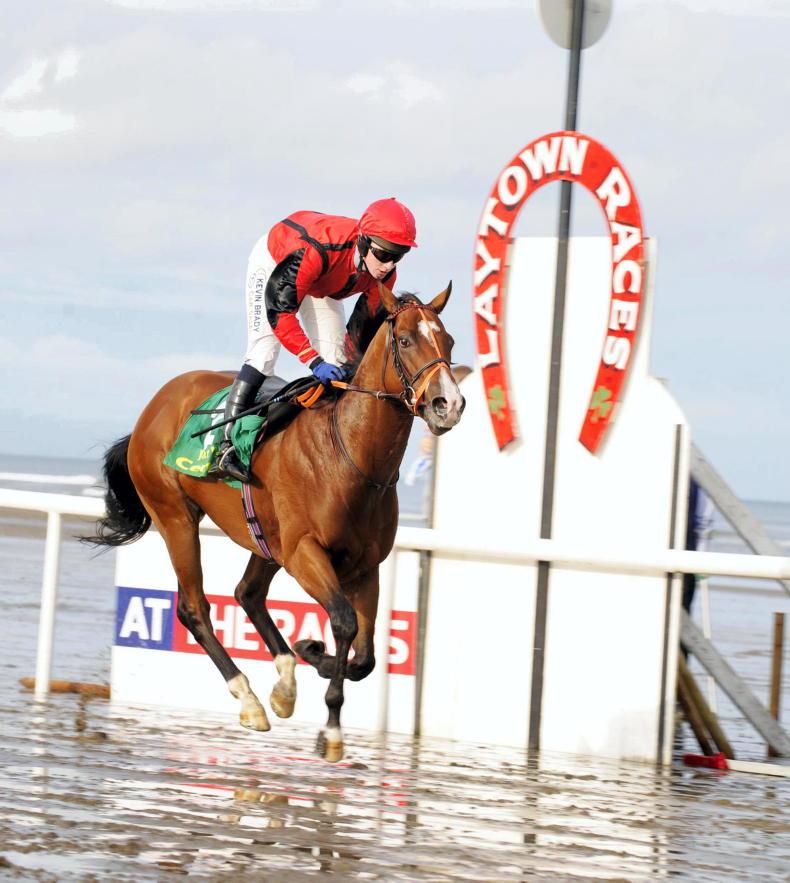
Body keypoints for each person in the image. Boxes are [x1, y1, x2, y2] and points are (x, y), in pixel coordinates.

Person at [214, 197, 419, 482]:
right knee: (264, 351)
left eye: (398, 255)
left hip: (322, 282)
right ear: (362, 241)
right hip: (280, 262)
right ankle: (225, 445)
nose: (389, 265)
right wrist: (312, 361)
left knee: (338, 361)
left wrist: (348, 363)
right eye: (384, 254)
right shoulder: (316, 251)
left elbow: (362, 328)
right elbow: (280, 313)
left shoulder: (385, 273)